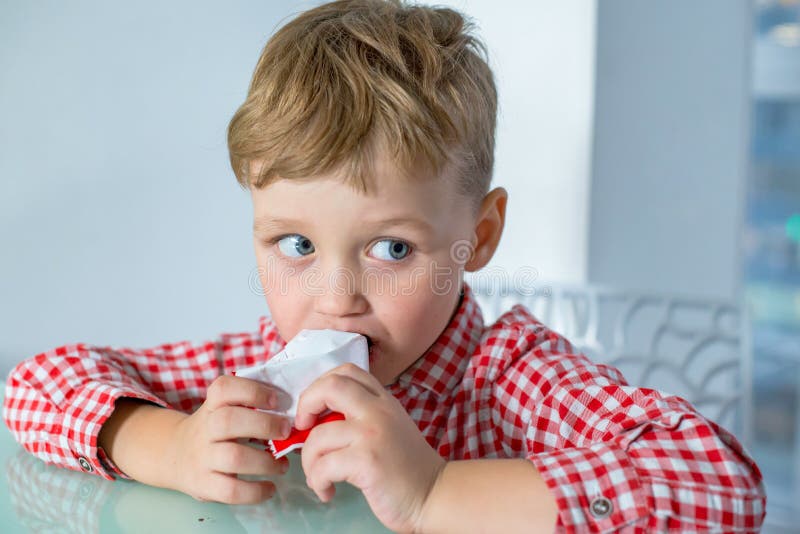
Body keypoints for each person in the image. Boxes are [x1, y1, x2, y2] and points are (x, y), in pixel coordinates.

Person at [3, 0, 766, 531]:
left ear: (481, 232)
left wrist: (437, 490)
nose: (336, 300)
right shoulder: (256, 376)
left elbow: (722, 488)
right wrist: (168, 447)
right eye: (294, 245)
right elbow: (37, 384)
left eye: (392, 248)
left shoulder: (508, 381)